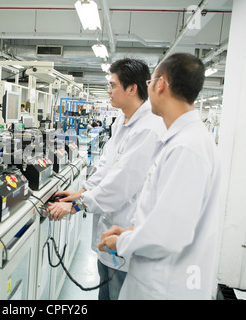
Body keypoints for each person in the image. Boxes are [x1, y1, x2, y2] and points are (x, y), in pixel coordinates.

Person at [97, 53, 222, 300]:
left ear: (161, 84)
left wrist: (122, 243)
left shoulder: (186, 148)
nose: (149, 89)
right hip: (157, 278)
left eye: (150, 83)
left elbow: (169, 234)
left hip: (164, 286)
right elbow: (168, 213)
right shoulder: (183, 139)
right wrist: (131, 231)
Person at [46, 58, 166, 300]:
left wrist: (77, 205)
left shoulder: (148, 129)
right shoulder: (123, 121)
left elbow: (121, 184)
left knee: (118, 292)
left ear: (132, 88)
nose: (108, 91)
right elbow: (106, 168)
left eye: (113, 86)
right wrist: (81, 192)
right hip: (111, 235)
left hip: (127, 232)